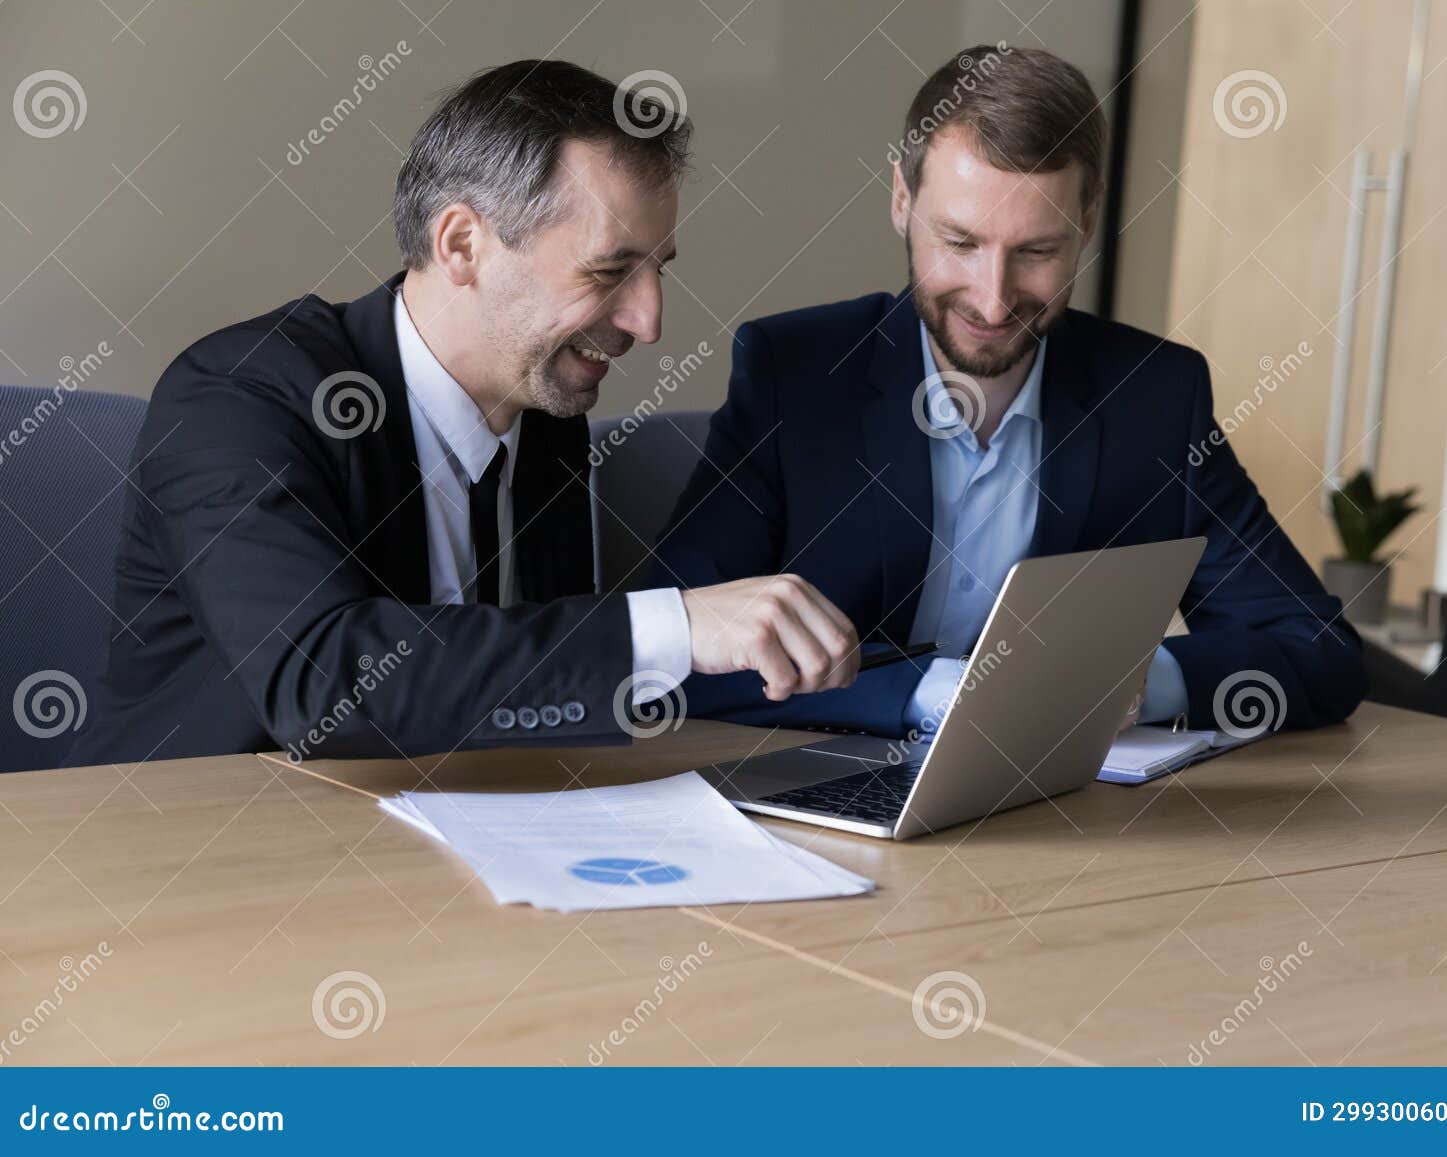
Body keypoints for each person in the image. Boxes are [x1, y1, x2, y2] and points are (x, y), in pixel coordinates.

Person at [68, 60, 859, 767]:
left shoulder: (544, 408)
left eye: (657, 271)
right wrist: (673, 629)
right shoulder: (236, 397)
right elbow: (323, 682)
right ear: (460, 245)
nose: (650, 322)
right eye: (611, 270)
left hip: (433, 854)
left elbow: (517, 693)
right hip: (187, 861)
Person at [655, 45, 1364, 740]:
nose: (994, 302)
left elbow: (1316, 646)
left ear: (1087, 222)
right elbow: (666, 648)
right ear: (902, 202)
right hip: (822, 809)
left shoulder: (1156, 398)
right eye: (960, 243)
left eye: (1036, 252)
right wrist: (931, 694)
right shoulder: (794, 376)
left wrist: (1141, 682)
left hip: (1062, 822)